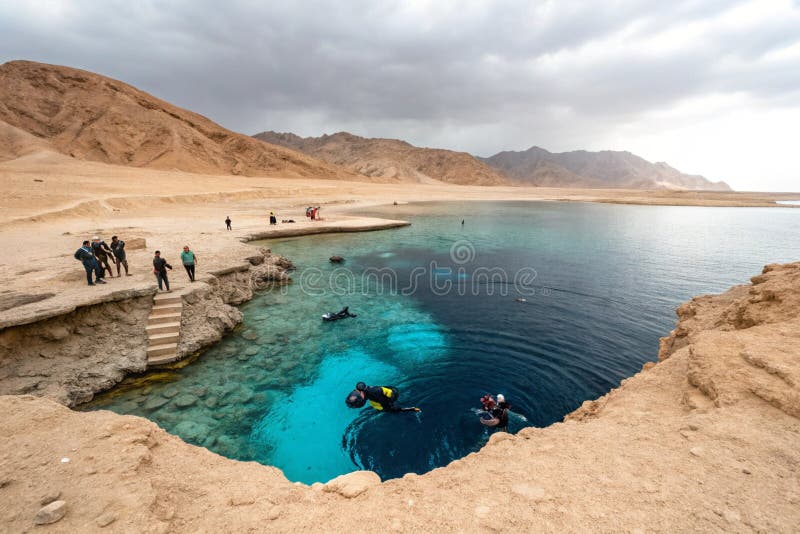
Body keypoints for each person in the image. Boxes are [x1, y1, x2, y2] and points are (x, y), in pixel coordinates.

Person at [345, 382, 421, 412]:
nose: (354, 391)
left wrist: (410, 409)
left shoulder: (375, 394)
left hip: (392, 394)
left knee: (391, 410)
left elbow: (394, 407)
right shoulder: (361, 389)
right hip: (386, 390)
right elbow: (361, 384)